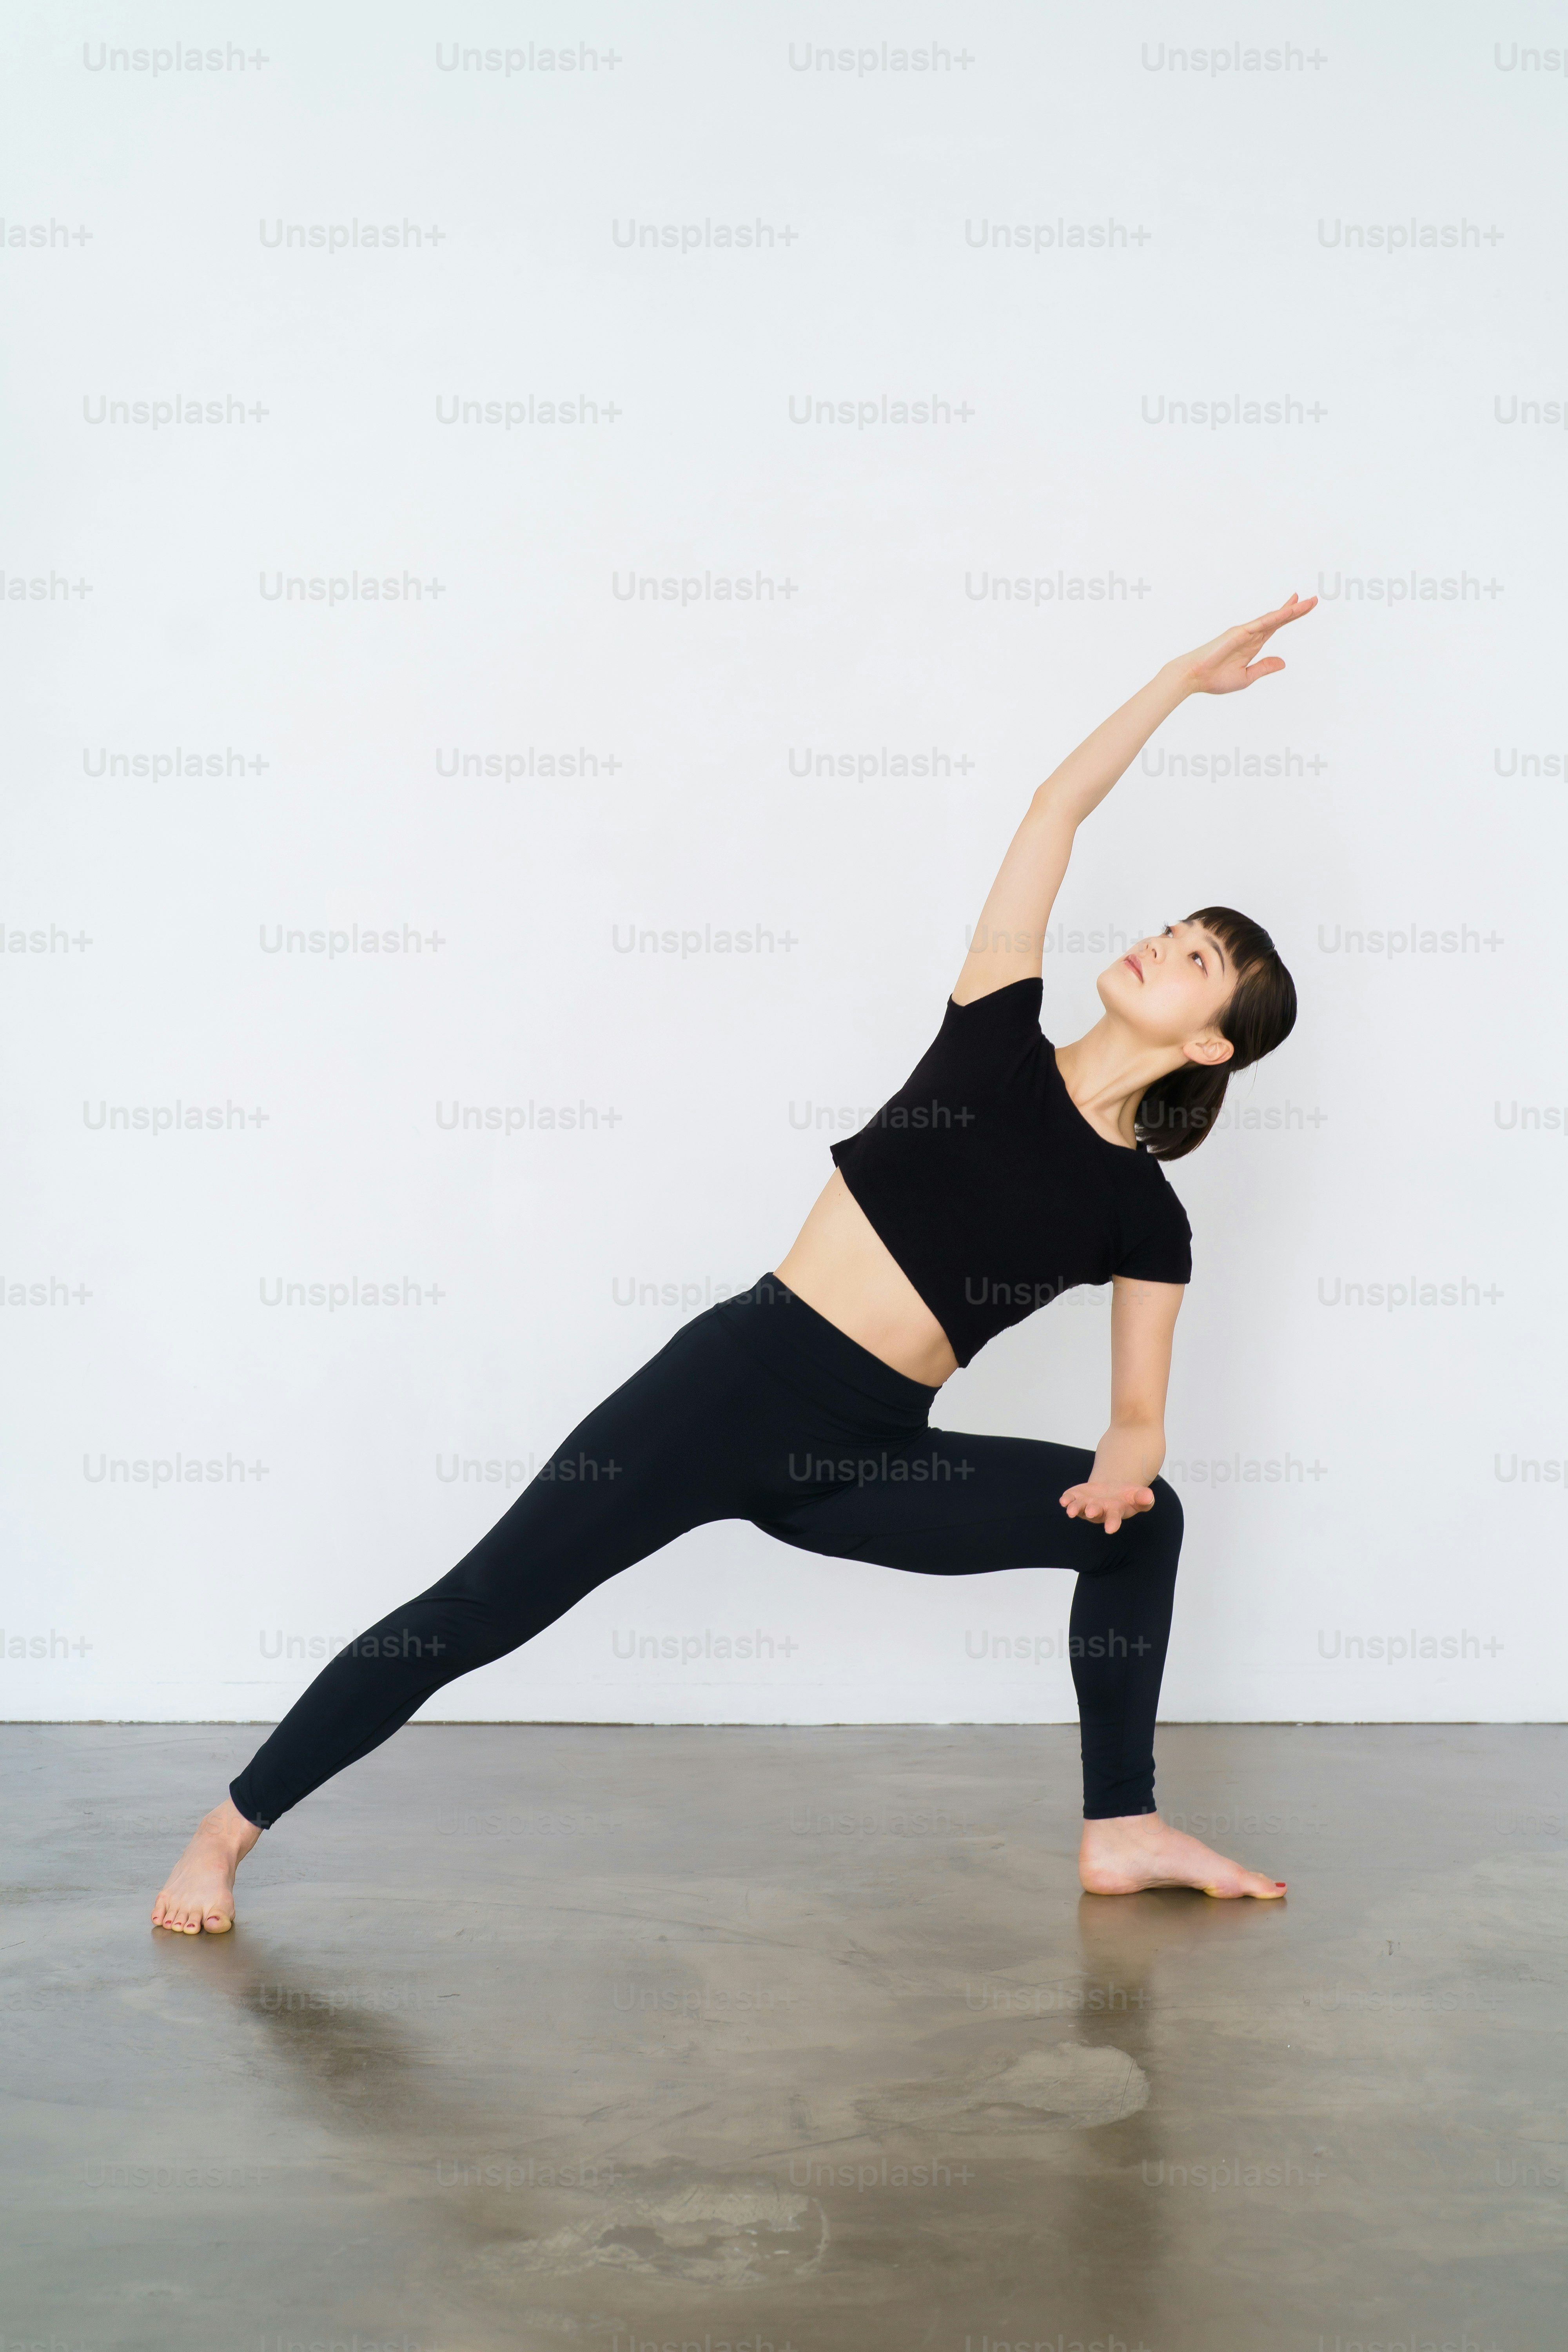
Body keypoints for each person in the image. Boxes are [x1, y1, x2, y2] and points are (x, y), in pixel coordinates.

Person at [152, 592, 1315, 1934]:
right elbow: (1055, 809)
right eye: (1176, 929)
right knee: (478, 1608)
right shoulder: (993, 1033)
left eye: (1197, 961)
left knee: (1149, 1526)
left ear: (1214, 1044)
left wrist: (1124, 1466)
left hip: (867, 1458)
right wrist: (1178, 679)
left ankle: (1123, 1828)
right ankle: (224, 1833)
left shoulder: (1145, 1213)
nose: (1162, 945)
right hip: (730, 1391)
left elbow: (1136, 1420)